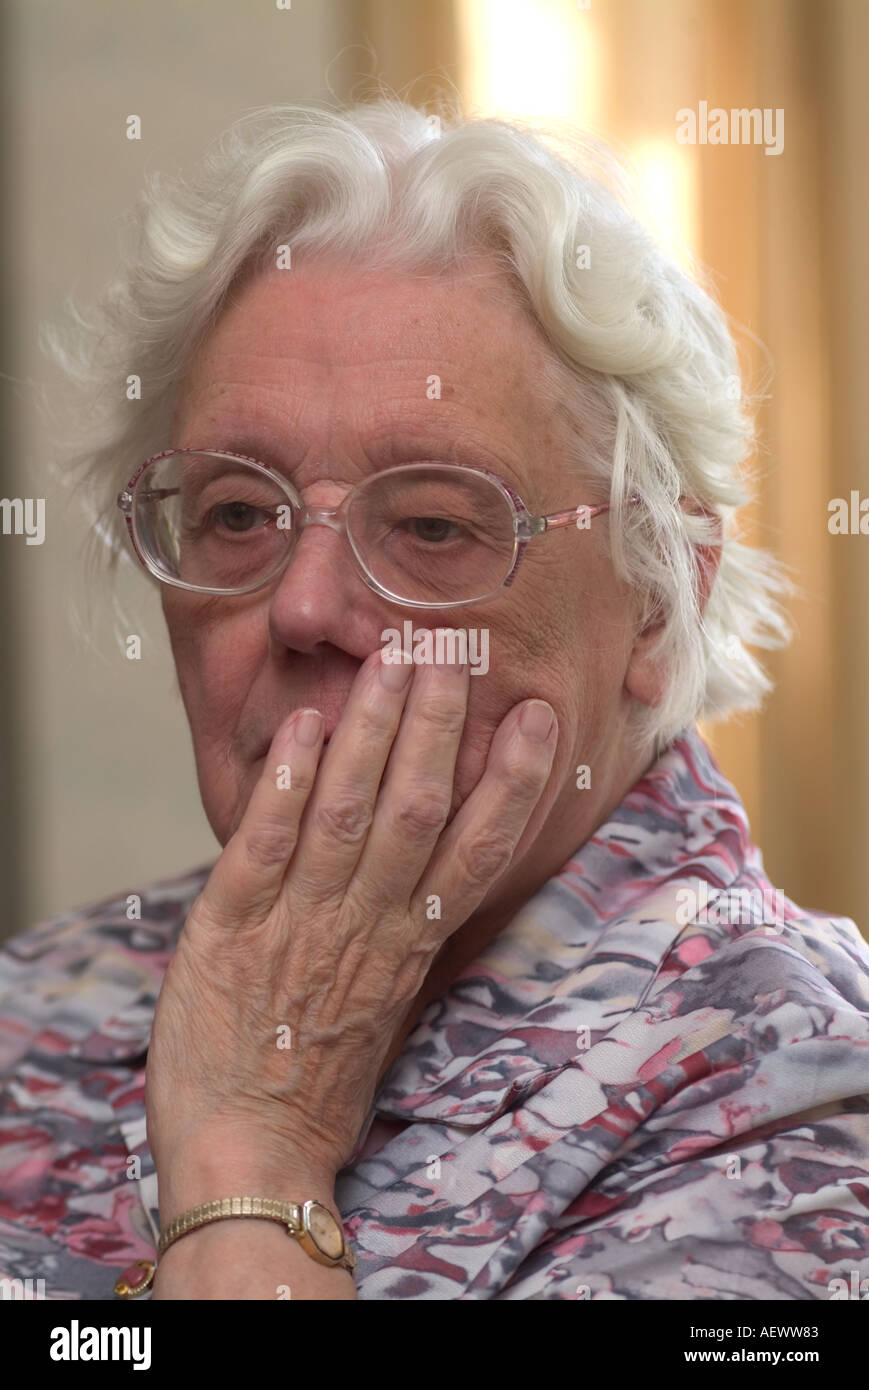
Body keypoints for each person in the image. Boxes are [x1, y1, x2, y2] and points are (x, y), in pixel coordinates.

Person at [1, 98, 867, 1302]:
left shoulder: (793, 1092)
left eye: (429, 525)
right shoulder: (41, 999)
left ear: (659, 601)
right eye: (237, 513)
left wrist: (251, 1160)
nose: (302, 609)